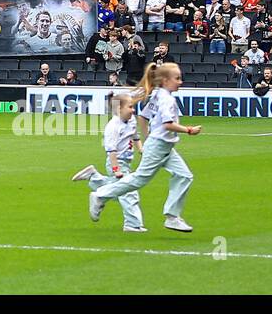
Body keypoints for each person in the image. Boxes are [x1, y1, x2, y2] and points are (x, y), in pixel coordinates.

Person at [88, 61, 201, 233]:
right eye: (177, 78)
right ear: (164, 80)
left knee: (184, 176)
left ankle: (172, 217)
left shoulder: (157, 95)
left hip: (163, 146)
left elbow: (143, 117)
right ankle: (101, 194)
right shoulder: (166, 99)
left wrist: (148, 139)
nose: (180, 82)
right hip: (160, 146)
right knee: (139, 179)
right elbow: (168, 124)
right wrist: (189, 130)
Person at [72, 93, 145, 233]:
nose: (133, 110)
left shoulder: (131, 121)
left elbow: (135, 136)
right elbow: (111, 151)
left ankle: (94, 177)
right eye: (130, 107)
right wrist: (116, 168)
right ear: (119, 109)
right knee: (129, 192)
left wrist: (141, 149)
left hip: (127, 162)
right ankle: (132, 224)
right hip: (117, 162)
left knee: (118, 190)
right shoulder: (113, 127)